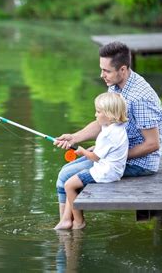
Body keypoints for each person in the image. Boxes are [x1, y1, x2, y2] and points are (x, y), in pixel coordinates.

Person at [53, 41, 162, 228]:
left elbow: (152, 144)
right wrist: (74, 137)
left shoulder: (140, 98)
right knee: (68, 170)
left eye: (106, 71)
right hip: (117, 154)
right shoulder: (117, 86)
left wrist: (110, 153)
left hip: (140, 163)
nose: (101, 75)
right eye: (101, 69)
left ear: (122, 69)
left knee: (65, 176)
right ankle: (68, 223)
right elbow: (103, 121)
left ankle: (72, 229)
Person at [54, 92, 129, 230]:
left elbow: (95, 157)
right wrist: (95, 147)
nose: (95, 115)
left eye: (98, 112)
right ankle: (68, 220)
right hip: (113, 170)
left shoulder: (107, 134)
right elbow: (109, 148)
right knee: (72, 180)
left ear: (110, 115)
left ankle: (78, 222)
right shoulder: (117, 128)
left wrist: (83, 152)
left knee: (69, 185)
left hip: (105, 172)